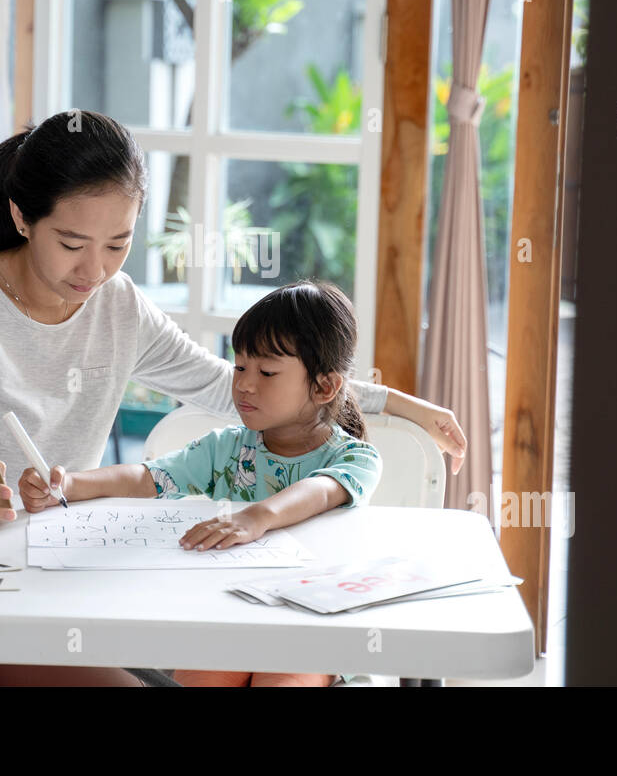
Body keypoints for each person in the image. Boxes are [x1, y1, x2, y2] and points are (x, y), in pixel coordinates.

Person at [0, 110, 467, 687]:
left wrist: (402, 405)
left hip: (30, 585)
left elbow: (233, 384)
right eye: (71, 244)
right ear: (21, 217)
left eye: (118, 244)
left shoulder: (118, 307)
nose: (93, 271)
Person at [20, 280, 381, 687]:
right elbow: (149, 477)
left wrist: (257, 517)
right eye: (240, 366)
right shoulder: (225, 448)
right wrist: (71, 483)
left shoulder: (354, 459)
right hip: (228, 617)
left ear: (324, 387)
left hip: (312, 625)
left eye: (266, 372)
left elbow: (321, 490)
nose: (244, 383)